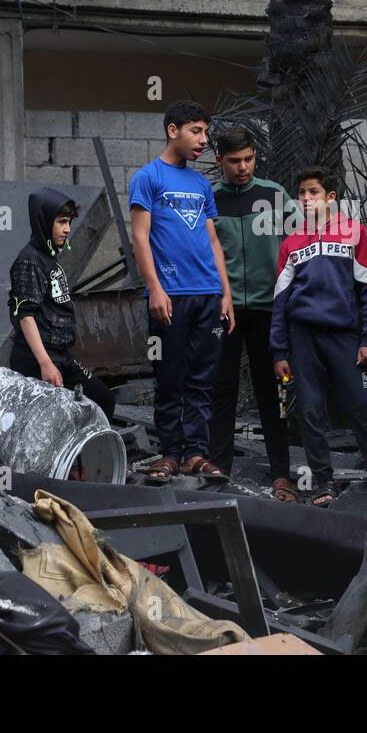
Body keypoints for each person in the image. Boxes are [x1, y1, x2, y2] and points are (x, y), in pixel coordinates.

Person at [127, 100, 235, 484]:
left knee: (202, 380)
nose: (203, 140)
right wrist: (154, 288)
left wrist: (225, 293)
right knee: (170, 376)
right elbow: (140, 238)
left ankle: (195, 454)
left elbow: (212, 240)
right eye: (196, 131)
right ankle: (170, 452)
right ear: (173, 130)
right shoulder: (148, 178)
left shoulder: (202, 184)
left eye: (205, 131)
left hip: (207, 294)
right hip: (170, 295)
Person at [270, 166, 367, 507]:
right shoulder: (291, 242)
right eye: (301, 193)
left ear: (330, 197)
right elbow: (279, 301)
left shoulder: (355, 233)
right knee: (308, 410)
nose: (306, 199)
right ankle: (323, 480)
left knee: (359, 401)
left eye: (313, 193)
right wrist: (278, 351)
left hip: (345, 336)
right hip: (302, 338)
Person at [210, 126, 296, 499]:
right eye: (234, 161)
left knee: (271, 392)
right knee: (221, 390)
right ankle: (218, 471)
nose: (243, 167)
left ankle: (281, 473)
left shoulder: (273, 195)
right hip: (223, 309)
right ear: (219, 161)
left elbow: (298, 245)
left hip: (268, 309)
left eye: (248, 159)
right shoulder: (209, 199)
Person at [7, 187, 116, 419]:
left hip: (61, 355)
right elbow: (25, 316)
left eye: (69, 222)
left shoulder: (48, 258)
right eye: (61, 222)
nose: (67, 229)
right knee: (51, 420)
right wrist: (45, 363)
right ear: (44, 221)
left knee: (103, 399)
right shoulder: (29, 261)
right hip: (37, 358)